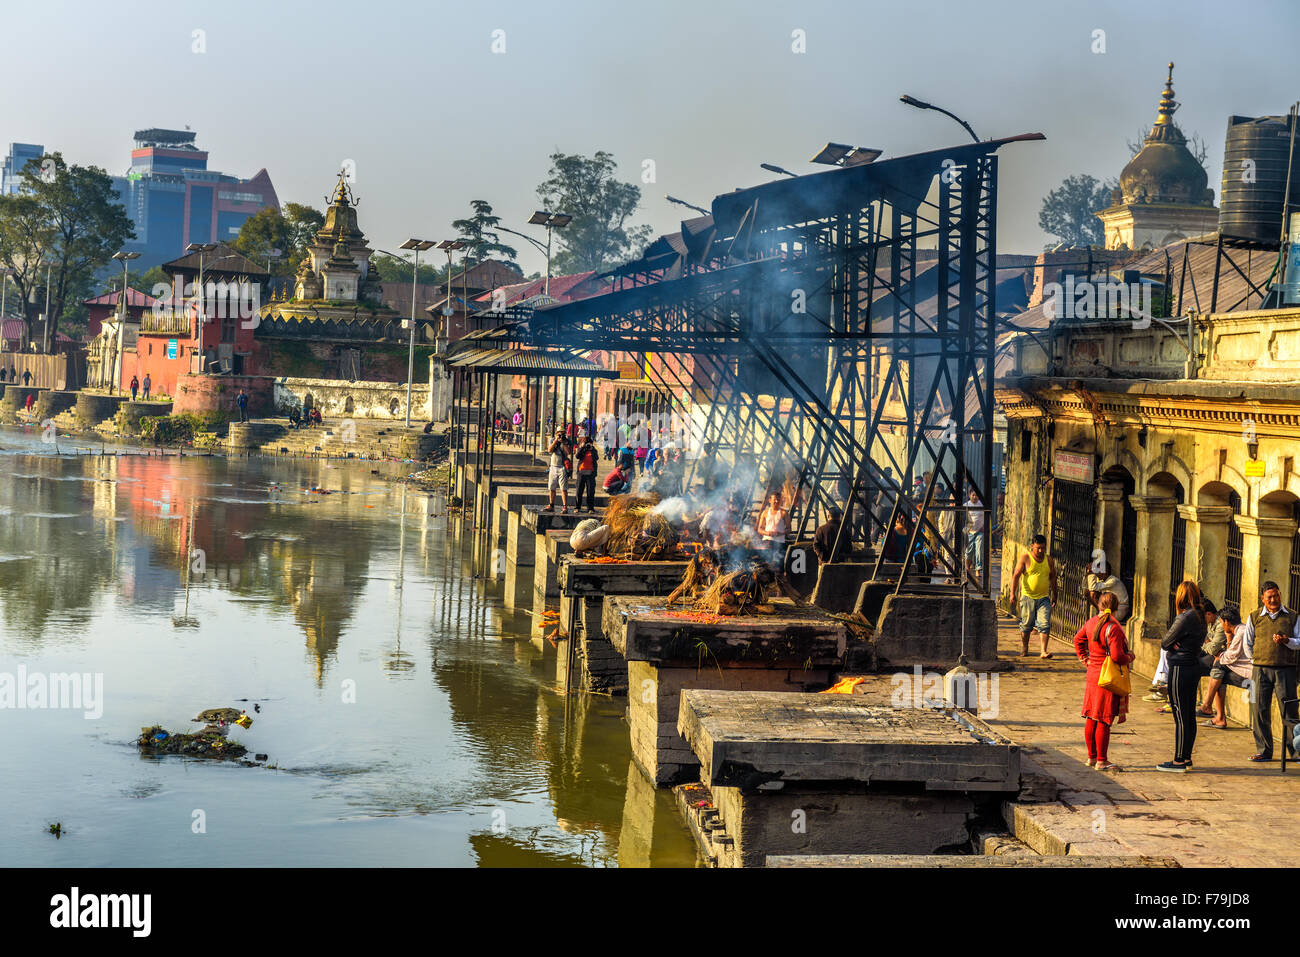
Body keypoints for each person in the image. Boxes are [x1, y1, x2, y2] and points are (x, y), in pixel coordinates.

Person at [1240, 580, 1300, 762]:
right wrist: (1255, 661)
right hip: (1259, 670)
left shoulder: (1292, 616)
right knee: (1258, 708)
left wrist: (1286, 641)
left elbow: (1299, 641)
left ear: (1280, 595)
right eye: (1269, 597)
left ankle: (1295, 752)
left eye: (1276, 595)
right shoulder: (1254, 616)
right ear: (1263, 599)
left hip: (1285, 669)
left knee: (1289, 710)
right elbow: (1247, 643)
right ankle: (1264, 750)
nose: (1273, 600)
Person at [1074, 592, 1135, 771]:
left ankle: (1091, 757)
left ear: (1098, 605)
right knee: (1103, 719)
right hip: (1107, 678)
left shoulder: (1091, 622)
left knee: (1092, 717)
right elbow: (1117, 656)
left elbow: (1078, 640)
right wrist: (1130, 656)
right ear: (1116, 608)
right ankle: (1102, 760)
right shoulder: (1113, 627)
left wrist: (1085, 659)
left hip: (1093, 674)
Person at [1157, 579, 1208, 772]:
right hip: (1192, 665)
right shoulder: (1200, 615)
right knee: (1188, 715)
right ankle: (1186, 756)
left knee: (1180, 714)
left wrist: (1174, 643)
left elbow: (1165, 641)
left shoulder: (1185, 617)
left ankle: (1179, 759)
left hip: (1181, 667)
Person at [1010, 534, 1058, 659]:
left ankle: (1043, 650)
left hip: (1044, 598)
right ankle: (1025, 647)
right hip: (1027, 598)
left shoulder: (1049, 560)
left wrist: (1055, 594)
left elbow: (1053, 577)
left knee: (1045, 624)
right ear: (1032, 546)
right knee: (1026, 625)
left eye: (1043, 548)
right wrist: (1012, 594)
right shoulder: (1026, 558)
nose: (1041, 551)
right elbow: (1016, 576)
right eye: (1038, 548)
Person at [1199, 606, 1246, 730]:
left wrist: (1220, 655)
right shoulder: (1238, 631)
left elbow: (1229, 656)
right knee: (1218, 671)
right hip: (1239, 666)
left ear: (1226, 622)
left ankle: (1208, 707)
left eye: (1221, 622)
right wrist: (1228, 637)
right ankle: (1216, 715)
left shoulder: (1241, 632)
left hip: (1249, 673)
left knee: (1218, 668)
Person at [545, 427, 571, 514]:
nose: (561, 435)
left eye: (562, 433)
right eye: (559, 433)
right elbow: (549, 450)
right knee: (552, 487)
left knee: (563, 488)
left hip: (562, 466)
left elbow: (568, 452)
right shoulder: (552, 439)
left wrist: (563, 443)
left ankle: (565, 506)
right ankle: (551, 505)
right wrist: (556, 440)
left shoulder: (566, 441)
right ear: (556, 433)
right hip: (553, 466)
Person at [756, 491, 789, 559]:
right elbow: (759, 529)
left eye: (778, 500)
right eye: (775, 500)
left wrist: (780, 533)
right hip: (767, 541)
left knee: (777, 563)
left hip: (779, 542)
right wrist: (768, 533)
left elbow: (789, 529)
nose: (777, 501)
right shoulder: (765, 512)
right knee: (766, 562)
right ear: (770, 500)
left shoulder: (784, 513)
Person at [964, 488, 985, 583]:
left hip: (979, 531)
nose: (975, 497)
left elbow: (987, 517)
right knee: (969, 551)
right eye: (973, 495)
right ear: (969, 495)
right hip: (969, 532)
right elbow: (962, 519)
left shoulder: (982, 505)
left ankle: (978, 570)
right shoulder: (966, 505)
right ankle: (967, 568)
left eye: (976, 495)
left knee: (979, 549)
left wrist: (984, 526)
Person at [574, 435, 599, 512]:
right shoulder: (581, 449)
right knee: (579, 491)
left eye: (589, 443)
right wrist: (583, 448)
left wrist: (592, 449)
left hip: (591, 473)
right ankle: (577, 507)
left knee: (590, 491)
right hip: (581, 473)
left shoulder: (593, 450)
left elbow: (596, 458)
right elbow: (577, 456)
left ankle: (590, 508)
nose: (588, 444)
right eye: (586, 443)